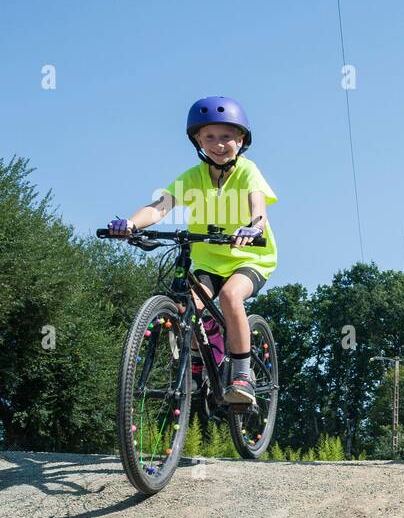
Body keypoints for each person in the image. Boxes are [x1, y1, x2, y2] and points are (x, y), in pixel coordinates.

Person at [105, 96, 277, 404]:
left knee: (229, 296)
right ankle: (196, 368)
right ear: (197, 140)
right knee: (187, 308)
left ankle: (241, 375)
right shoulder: (193, 177)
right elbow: (160, 207)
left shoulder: (248, 172)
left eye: (226, 136)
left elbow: (258, 207)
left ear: (241, 139)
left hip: (250, 257)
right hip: (208, 259)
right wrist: (130, 224)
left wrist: (254, 227)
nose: (218, 144)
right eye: (209, 137)